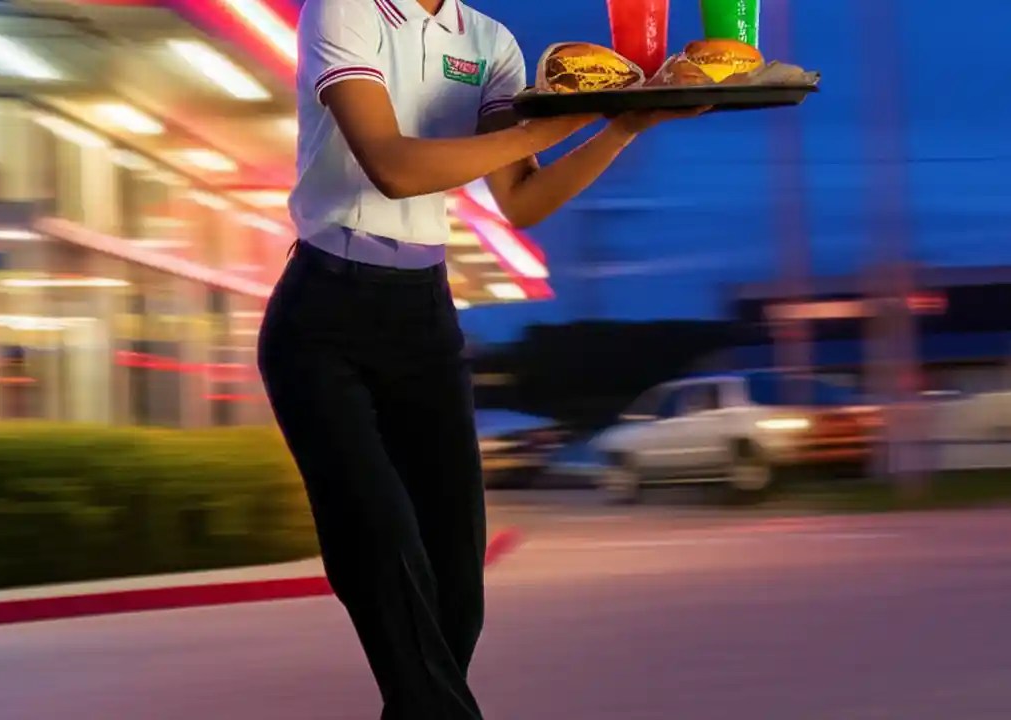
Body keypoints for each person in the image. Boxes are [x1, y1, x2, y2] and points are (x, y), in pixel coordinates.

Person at [259, 1, 704, 717]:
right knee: (382, 553)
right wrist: (550, 126)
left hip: (424, 317)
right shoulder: (343, 9)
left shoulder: (488, 41)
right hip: (323, 315)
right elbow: (393, 167)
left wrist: (620, 125)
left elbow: (522, 200)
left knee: (456, 591)